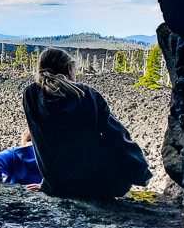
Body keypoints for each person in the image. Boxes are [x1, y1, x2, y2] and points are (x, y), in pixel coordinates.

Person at [22, 47, 152, 198]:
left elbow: (44, 143)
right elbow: (118, 136)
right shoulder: (86, 94)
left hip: (59, 186)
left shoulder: (30, 95)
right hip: (102, 186)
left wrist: (49, 184)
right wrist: (141, 172)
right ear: (69, 68)